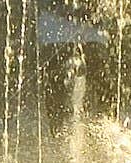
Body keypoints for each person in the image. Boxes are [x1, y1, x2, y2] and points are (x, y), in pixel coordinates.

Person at [37, 1, 114, 131]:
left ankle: (104, 128)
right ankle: (59, 133)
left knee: (101, 82)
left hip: (91, 30)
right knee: (58, 85)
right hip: (56, 30)